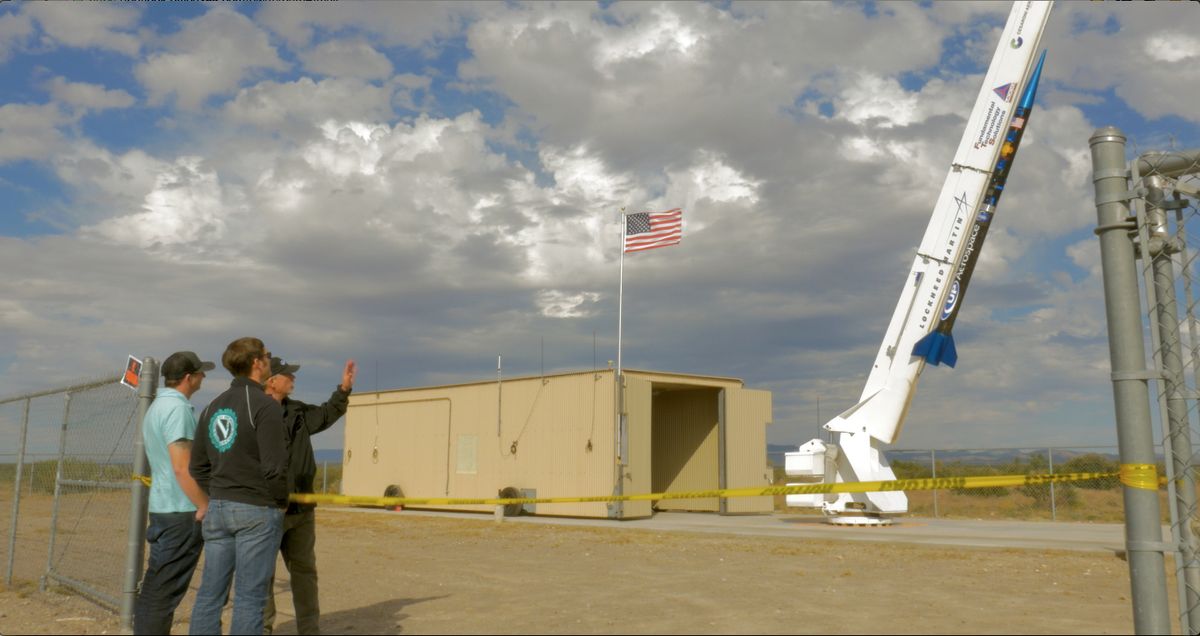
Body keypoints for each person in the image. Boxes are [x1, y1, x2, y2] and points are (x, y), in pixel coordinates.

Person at [188, 338, 289, 635]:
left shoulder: (211, 408)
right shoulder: (264, 406)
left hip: (218, 510)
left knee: (209, 594)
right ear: (257, 362)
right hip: (256, 510)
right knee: (249, 598)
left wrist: (217, 494)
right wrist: (280, 501)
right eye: (268, 356)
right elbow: (274, 467)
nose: (270, 360)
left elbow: (197, 467)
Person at [262, 356, 355, 636]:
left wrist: (344, 389)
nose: (294, 379)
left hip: (301, 510)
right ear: (272, 380)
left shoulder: (297, 412)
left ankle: (309, 630)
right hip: (265, 510)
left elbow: (326, 414)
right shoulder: (253, 413)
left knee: (304, 573)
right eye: (288, 375)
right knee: (261, 576)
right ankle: (261, 629)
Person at [134, 351, 214, 635]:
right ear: (189, 378)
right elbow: (182, 467)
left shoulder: (157, 406)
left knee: (158, 587)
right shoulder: (178, 410)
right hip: (180, 512)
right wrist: (203, 504)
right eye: (201, 373)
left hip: (164, 507)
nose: (204, 377)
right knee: (162, 593)